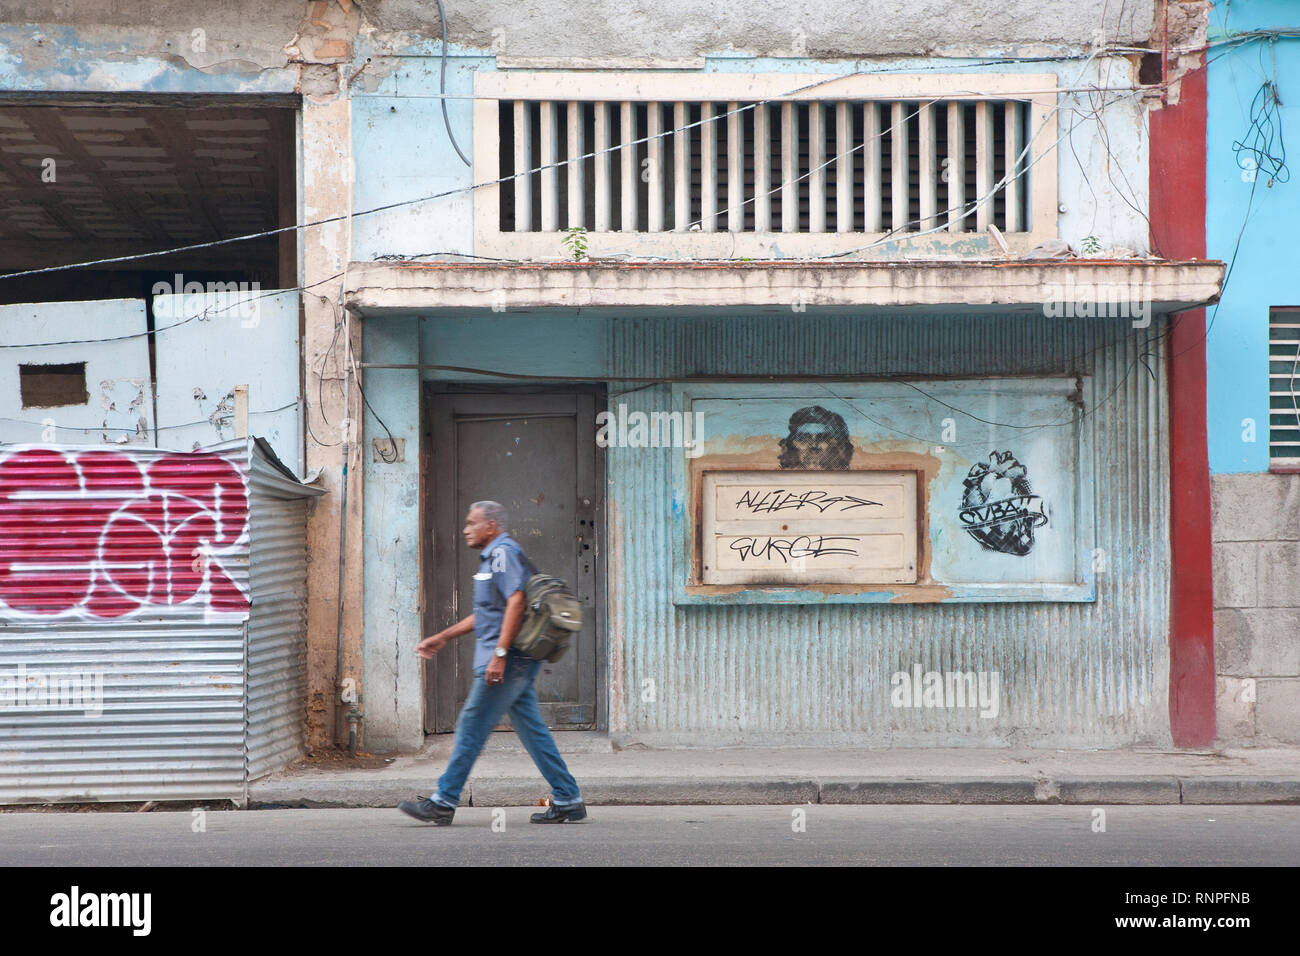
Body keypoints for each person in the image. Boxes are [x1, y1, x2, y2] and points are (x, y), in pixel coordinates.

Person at [398, 500, 587, 825]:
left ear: (491, 526)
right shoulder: (492, 558)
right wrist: (444, 636)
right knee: (531, 729)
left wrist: (499, 655)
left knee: (472, 725)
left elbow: (516, 601)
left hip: (510, 659)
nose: (466, 529)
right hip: (514, 659)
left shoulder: (502, 553)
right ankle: (569, 798)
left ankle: (443, 801)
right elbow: (489, 613)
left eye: (472, 523)